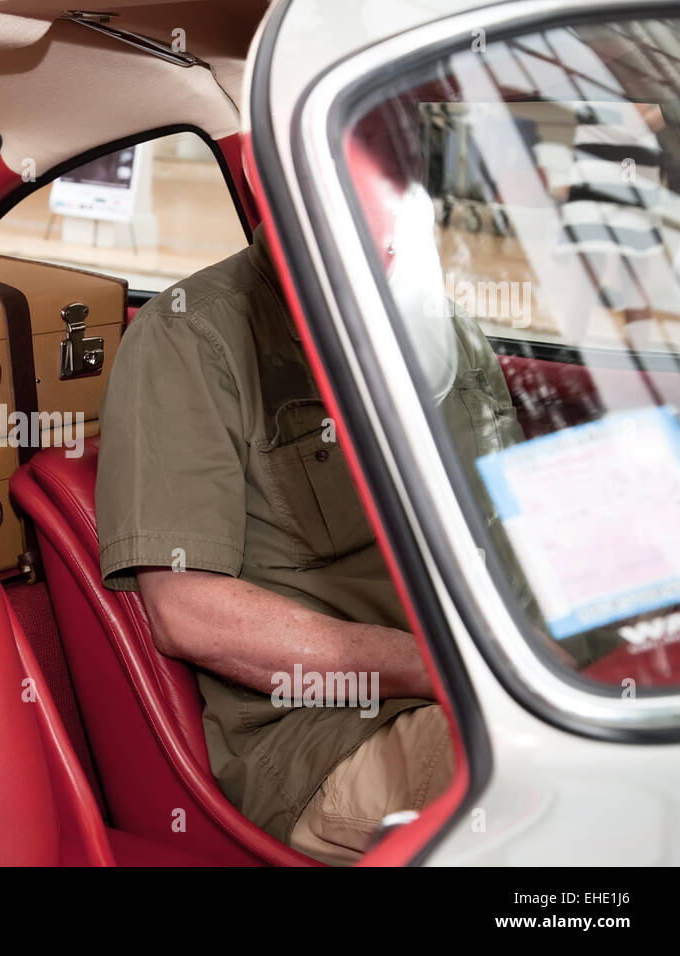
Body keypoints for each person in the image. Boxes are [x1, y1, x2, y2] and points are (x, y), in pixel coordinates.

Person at [96, 146, 522, 864]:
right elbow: (188, 612)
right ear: (279, 187)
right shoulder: (194, 336)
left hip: (495, 684)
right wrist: (434, 665)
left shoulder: (443, 328)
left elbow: (519, 521)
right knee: (586, 792)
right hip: (332, 735)